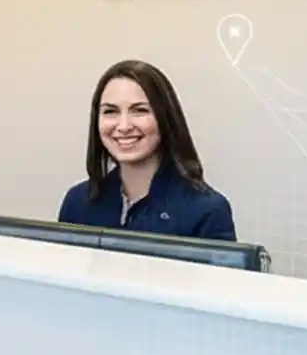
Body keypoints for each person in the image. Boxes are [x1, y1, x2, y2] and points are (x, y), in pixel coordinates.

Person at [58, 60, 236, 241]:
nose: (124, 126)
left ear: (165, 117)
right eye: (110, 111)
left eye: (140, 110)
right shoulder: (78, 201)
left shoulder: (207, 210)